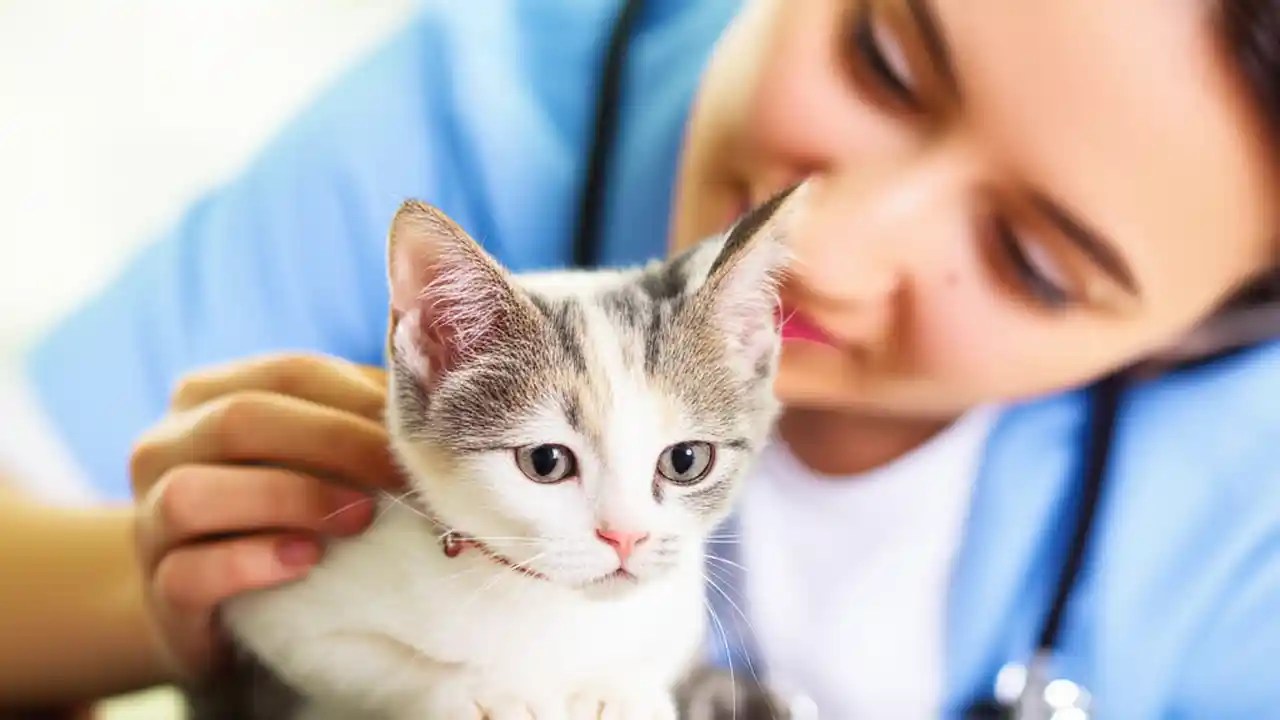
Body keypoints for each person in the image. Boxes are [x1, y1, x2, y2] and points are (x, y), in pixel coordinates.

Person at [3, 0, 1278, 716]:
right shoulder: (481, 110)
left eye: (1032, 265)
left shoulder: (1244, 490)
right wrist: (172, 595)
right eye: (881, 60)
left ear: (1194, 334)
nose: (824, 250)